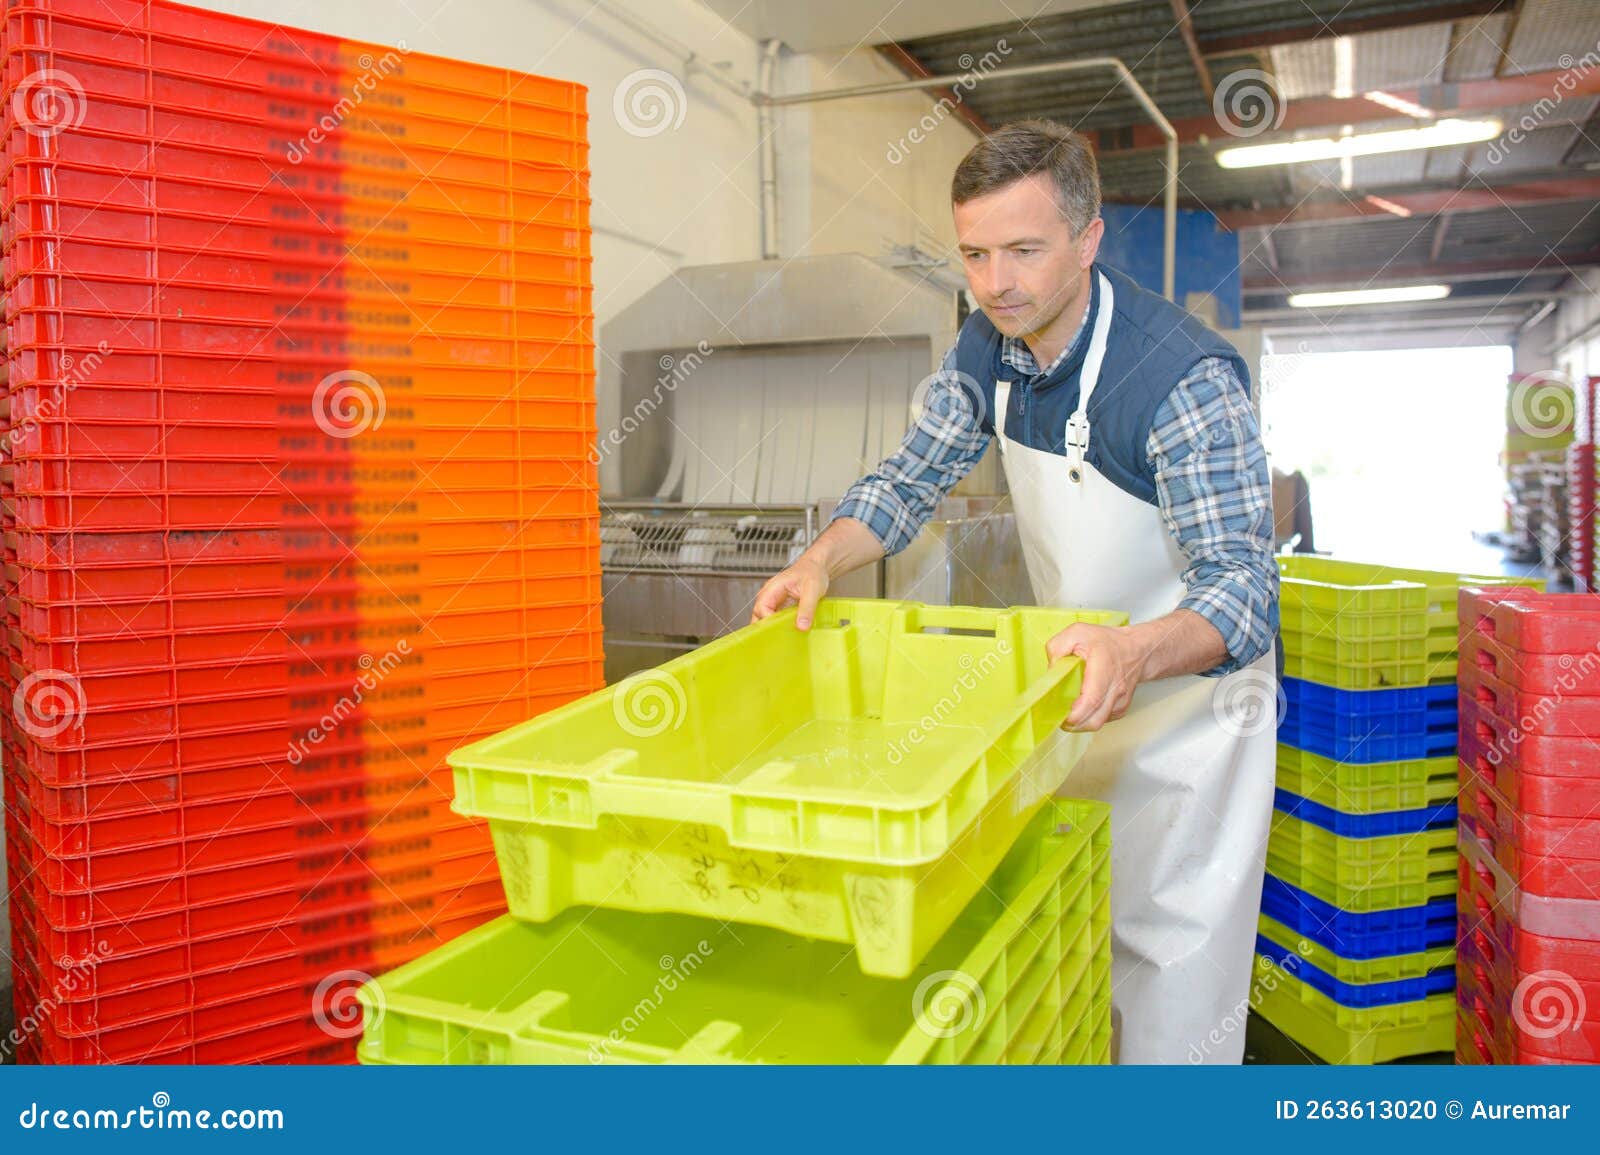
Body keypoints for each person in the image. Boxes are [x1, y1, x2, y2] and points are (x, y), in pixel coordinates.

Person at [752, 119, 1279, 1064]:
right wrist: (820, 561)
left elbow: (1243, 594)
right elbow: (908, 479)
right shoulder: (987, 348)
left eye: (1024, 250)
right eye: (976, 254)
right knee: (1070, 956)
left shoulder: (1180, 379)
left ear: (1086, 240)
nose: (997, 281)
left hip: (1193, 722)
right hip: (1076, 701)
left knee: (1171, 979)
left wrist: (1133, 651)